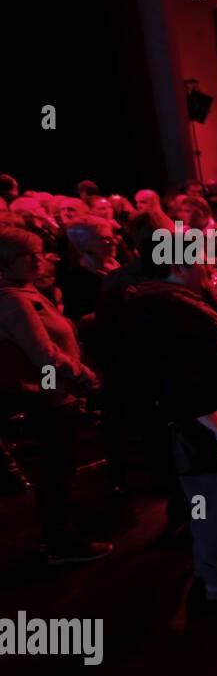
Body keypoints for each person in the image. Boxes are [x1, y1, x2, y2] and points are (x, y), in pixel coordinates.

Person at [124, 236, 217, 599]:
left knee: (213, 500)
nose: (208, 269)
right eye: (201, 263)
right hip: (202, 429)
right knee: (214, 499)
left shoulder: (168, 301)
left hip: (200, 423)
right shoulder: (170, 310)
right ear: (178, 267)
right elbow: (182, 378)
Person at [0, 227, 110, 564]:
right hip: (48, 395)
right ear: (6, 261)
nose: (39, 261)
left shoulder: (25, 291)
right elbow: (43, 354)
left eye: (38, 253)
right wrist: (77, 378)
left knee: (59, 464)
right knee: (57, 466)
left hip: (53, 392)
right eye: (28, 255)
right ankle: (59, 541)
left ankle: (58, 536)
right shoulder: (14, 301)